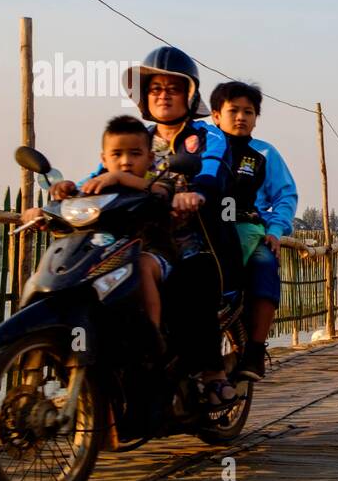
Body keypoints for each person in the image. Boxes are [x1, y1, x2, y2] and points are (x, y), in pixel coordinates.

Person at [52, 46, 242, 411]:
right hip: (134, 240)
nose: (163, 95)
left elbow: (212, 172)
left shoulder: (206, 137)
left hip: (192, 241)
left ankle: (212, 374)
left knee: (196, 279)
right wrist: (69, 193)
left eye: (173, 88)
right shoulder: (136, 139)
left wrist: (195, 194)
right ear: (143, 97)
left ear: (190, 94)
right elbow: (100, 177)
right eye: (155, 88)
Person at [24, 115, 174, 336]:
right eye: (117, 154)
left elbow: (162, 192)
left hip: (153, 255)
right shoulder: (98, 185)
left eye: (135, 154)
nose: (125, 161)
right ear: (104, 159)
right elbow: (74, 200)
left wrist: (118, 177)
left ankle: (153, 336)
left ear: (150, 158)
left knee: (141, 266)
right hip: (107, 257)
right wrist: (55, 199)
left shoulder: (153, 183)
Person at [208, 80, 298, 382]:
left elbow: (285, 196)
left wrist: (274, 230)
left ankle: (256, 349)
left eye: (249, 111)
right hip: (204, 226)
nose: (241, 117)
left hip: (249, 228)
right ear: (215, 115)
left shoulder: (263, 154)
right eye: (233, 110)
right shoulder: (204, 147)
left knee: (265, 264)